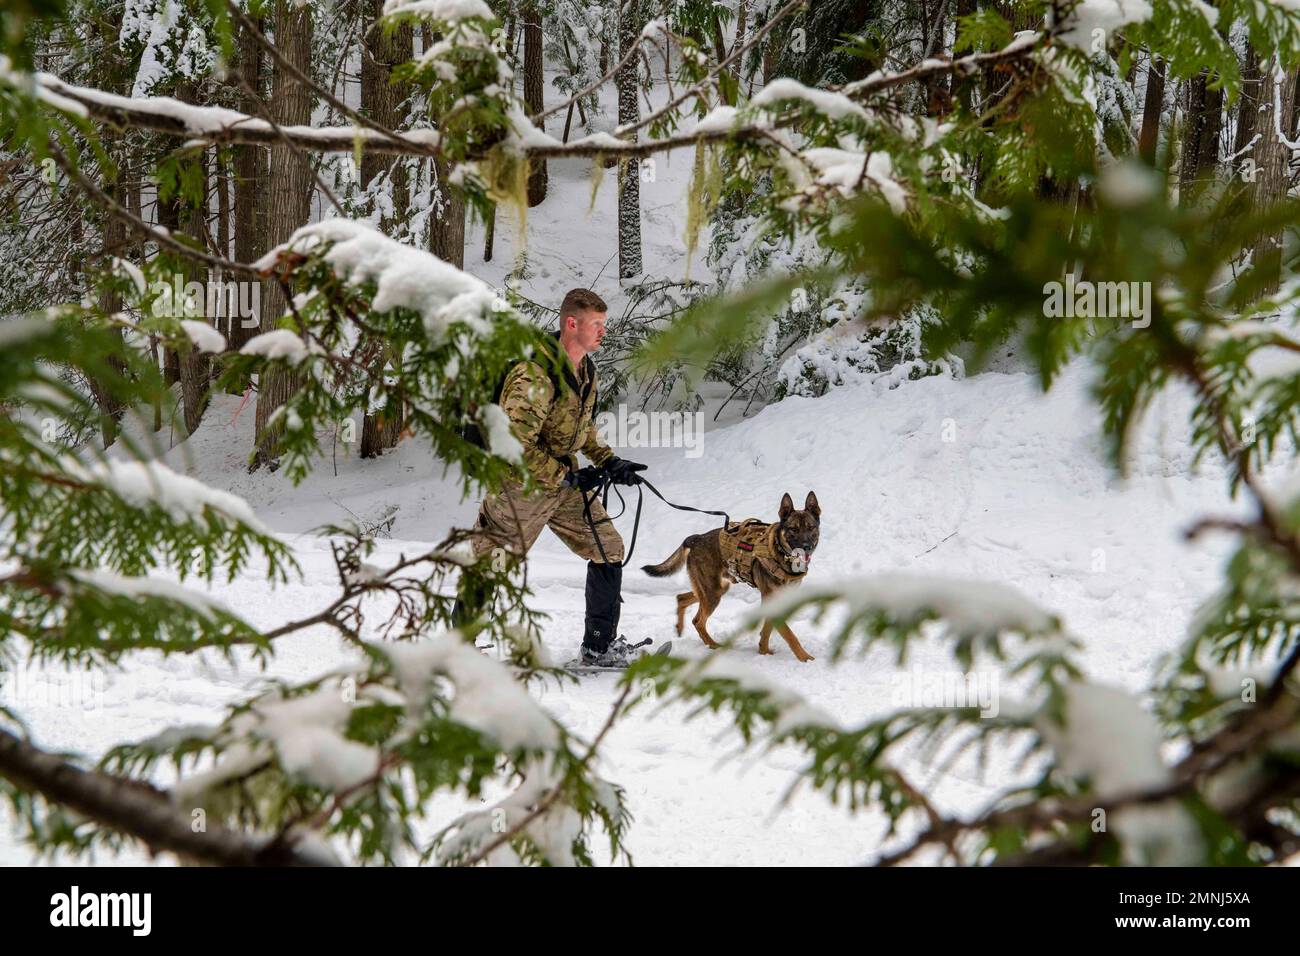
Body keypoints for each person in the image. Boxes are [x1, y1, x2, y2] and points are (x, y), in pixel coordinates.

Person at [455, 288, 648, 667]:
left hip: (563, 483)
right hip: (520, 487)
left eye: (603, 324)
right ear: (571, 323)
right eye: (596, 324)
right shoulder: (535, 376)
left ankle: (598, 647)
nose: (602, 332)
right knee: (491, 562)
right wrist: (563, 475)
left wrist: (610, 462)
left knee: (608, 548)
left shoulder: (584, 370)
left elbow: (581, 428)